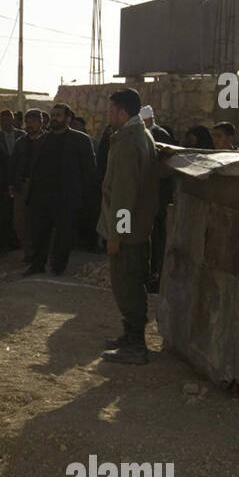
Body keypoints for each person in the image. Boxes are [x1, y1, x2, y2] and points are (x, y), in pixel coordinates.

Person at [98, 87, 160, 365]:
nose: (108, 115)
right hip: (137, 228)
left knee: (127, 286)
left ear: (122, 112)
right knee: (131, 283)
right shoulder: (141, 134)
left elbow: (124, 195)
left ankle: (135, 345)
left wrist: (116, 235)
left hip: (129, 232)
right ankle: (130, 336)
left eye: (111, 110)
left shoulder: (128, 141)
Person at [24, 103, 96, 277]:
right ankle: (37, 264)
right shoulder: (42, 140)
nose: (54, 118)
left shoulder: (81, 140)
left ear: (68, 118)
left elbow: (89, 170)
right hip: (42, 196)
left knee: (64, 235)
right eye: (53, 115)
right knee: (40, 233)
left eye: (58, 115)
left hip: (67, 197)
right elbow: (34, 168)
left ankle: (58, 266)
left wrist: (87, 197)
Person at [9, 108, 44, 257]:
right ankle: (28, 251)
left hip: (41, 187)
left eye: (33, 122)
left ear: (41, 123)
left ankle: (39, 252)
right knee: (20, 221)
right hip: (22, 185)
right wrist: (12, 184)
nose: (30, 125)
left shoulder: (48, 141)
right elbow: (13, 163)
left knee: (39, 221)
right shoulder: (20, 142)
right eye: (27, 122)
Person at [0, 110, 25, 254]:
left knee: (18, 214)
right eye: (2, 119)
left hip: (19, 180)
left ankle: (17, 241)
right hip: (1, 181)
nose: (5, 122)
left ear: (13, 120)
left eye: (8, 119)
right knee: (2, 213)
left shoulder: (22, 136)